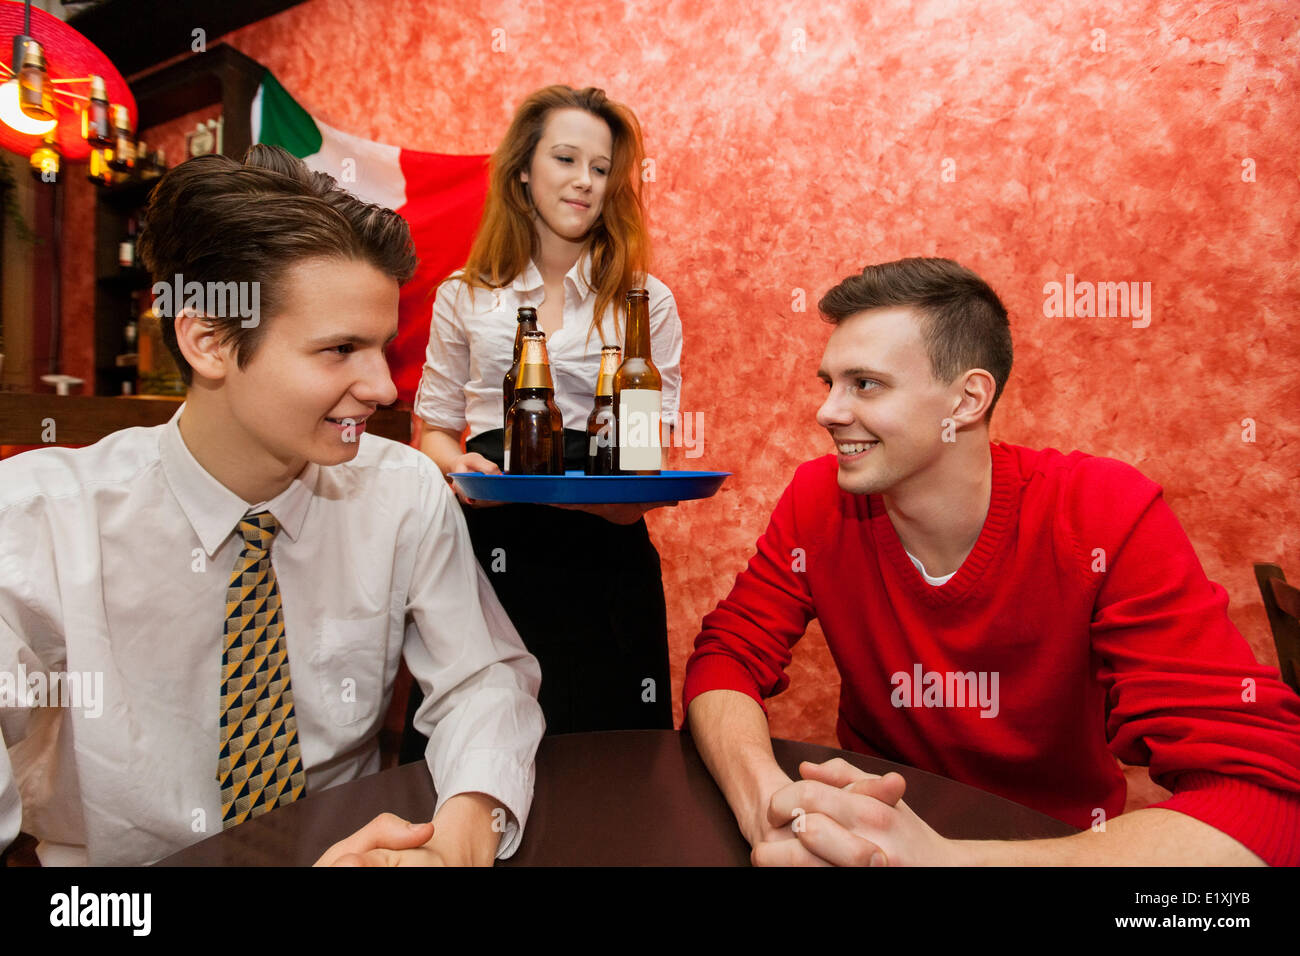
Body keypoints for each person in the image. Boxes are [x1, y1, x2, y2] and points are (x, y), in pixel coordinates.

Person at [0, 145, 544, 867]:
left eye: (381, 346)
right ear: (211, 339)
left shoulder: (403, 492)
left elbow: (484, 681)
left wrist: (464, 836)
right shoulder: (42, 516)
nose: (383, 388)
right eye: (340, 348)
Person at [684, 257, 1300, 866]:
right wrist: (766, 804)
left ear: (967, 399)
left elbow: (1264, 804)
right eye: (830, 383)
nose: (828, 411)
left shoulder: (1102, 510)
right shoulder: (818, 501)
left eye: (865, 383)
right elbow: (728, 658)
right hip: (874, 837)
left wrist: (946, 862)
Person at [414, 85, 683, 734]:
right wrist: (464, 473)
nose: (585, 181)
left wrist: (560, 493)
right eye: (566, 159)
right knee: (473, 748)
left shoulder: (648, 302)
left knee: (609, 770)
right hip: (484, 554)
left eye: (600, 168)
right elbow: (432, 430)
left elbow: (644, 466)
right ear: (523, 169)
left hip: (605, 559)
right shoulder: (464, 294)